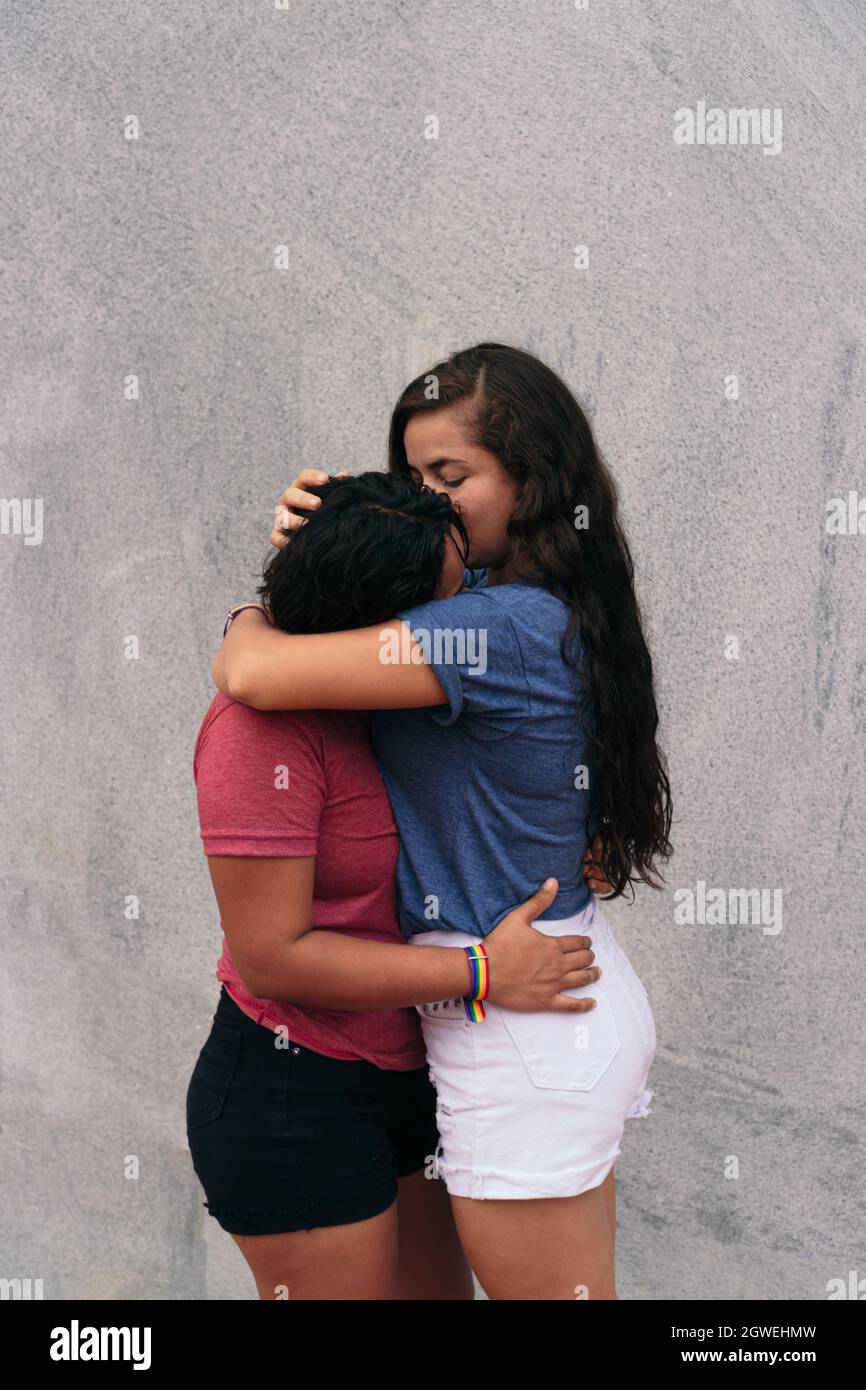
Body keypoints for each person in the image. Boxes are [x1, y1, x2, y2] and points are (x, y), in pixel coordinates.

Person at [214, 342, 673, 1300]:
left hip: (523, 1026)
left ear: (532, 481)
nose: (428, 499)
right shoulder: (538, 608)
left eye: (450, 476)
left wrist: (253, 606)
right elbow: (364, 597)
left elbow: (258, 673)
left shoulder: (486, 631)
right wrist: (331, 538)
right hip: (557, 1002)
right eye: (410, 475)